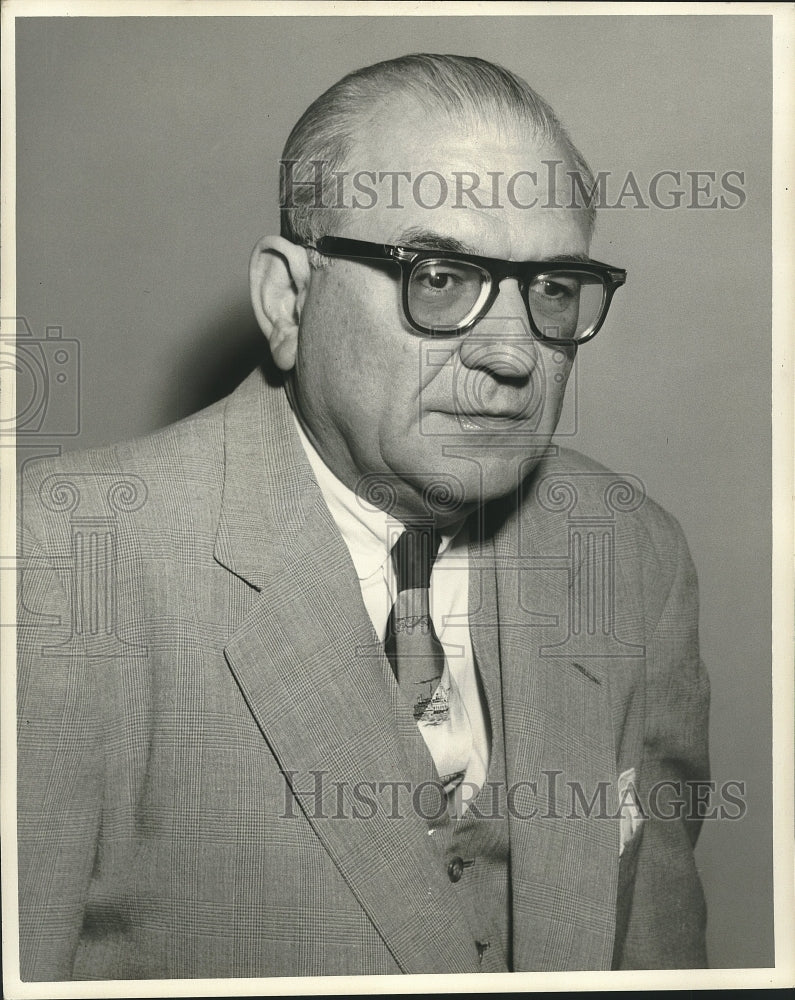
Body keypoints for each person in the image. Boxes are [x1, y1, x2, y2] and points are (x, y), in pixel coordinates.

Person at [16, 53, 710, 980]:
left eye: (550, 289)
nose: (512, 353)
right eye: (439, 277)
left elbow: (660, 953)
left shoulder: (630, 555)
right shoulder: (60, 562)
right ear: (287, 299)